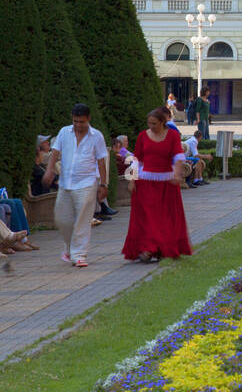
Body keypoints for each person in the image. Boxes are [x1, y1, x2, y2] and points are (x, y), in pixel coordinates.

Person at [42, 103, 109, 268]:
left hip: (87, 183)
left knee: (82, 220)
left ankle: (79, 254)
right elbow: (55, 153)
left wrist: (104, 184)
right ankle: (70, 248)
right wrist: (49, 170)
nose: (78, 125)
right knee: (62, 219)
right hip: (65, 183)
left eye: (82, 122)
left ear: (88, 119)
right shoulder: (64, 132)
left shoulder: (96, 136)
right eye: (75, 121)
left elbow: (101, 160)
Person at [122, 108, 192, 262]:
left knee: (165, 218)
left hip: (167, 184)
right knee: (148, 218)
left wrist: (177, 174)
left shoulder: (172, 135)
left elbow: (179, 156)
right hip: (146, 183)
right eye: (149, 123)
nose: (151, 126)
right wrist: (132, 180)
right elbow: (136, 160)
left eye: (154, 123)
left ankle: (162, 248)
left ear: (163, 122)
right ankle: (147, 249)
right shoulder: (142, 136)